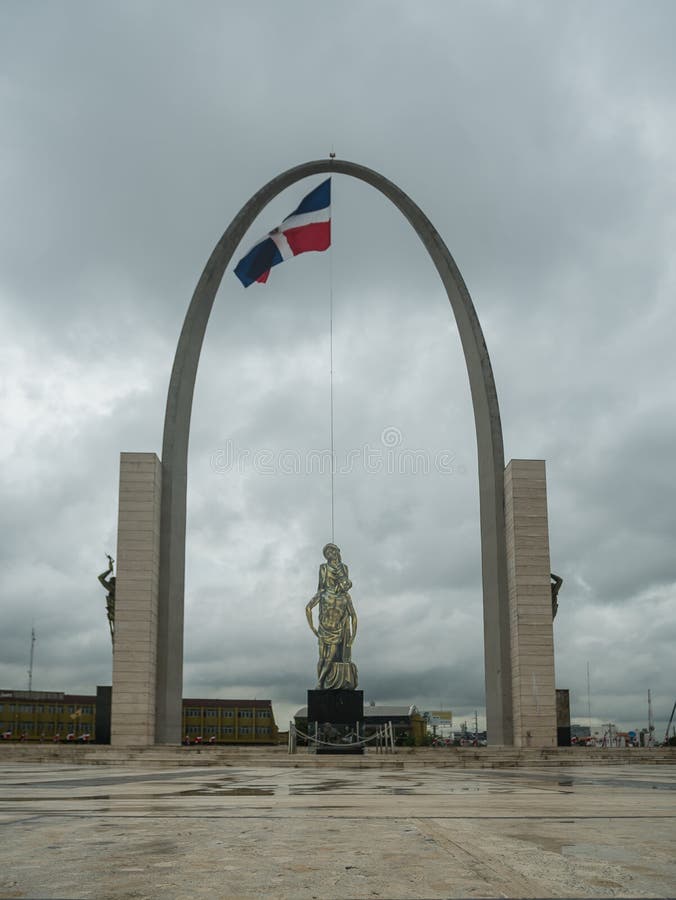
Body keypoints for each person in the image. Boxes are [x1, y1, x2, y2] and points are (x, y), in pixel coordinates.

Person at [305, 543, 358, 690]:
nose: (329, 553)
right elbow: (308, 607)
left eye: (331, 550)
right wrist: (313, 628)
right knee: (322, 658)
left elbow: (353, 616)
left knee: (329, 658)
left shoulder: (345, 596)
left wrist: (352, 636)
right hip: (324, 627)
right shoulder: (323, 570)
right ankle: (321, 684)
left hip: (337, 629)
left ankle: (320, 682)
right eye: (327, 551)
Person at [98, 554, 116, 644]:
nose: (108, 583)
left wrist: (109, 570)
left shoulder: (114, 589)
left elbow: (100, 578)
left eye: (110, 582)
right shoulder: (114, 590)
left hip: (115, 613)